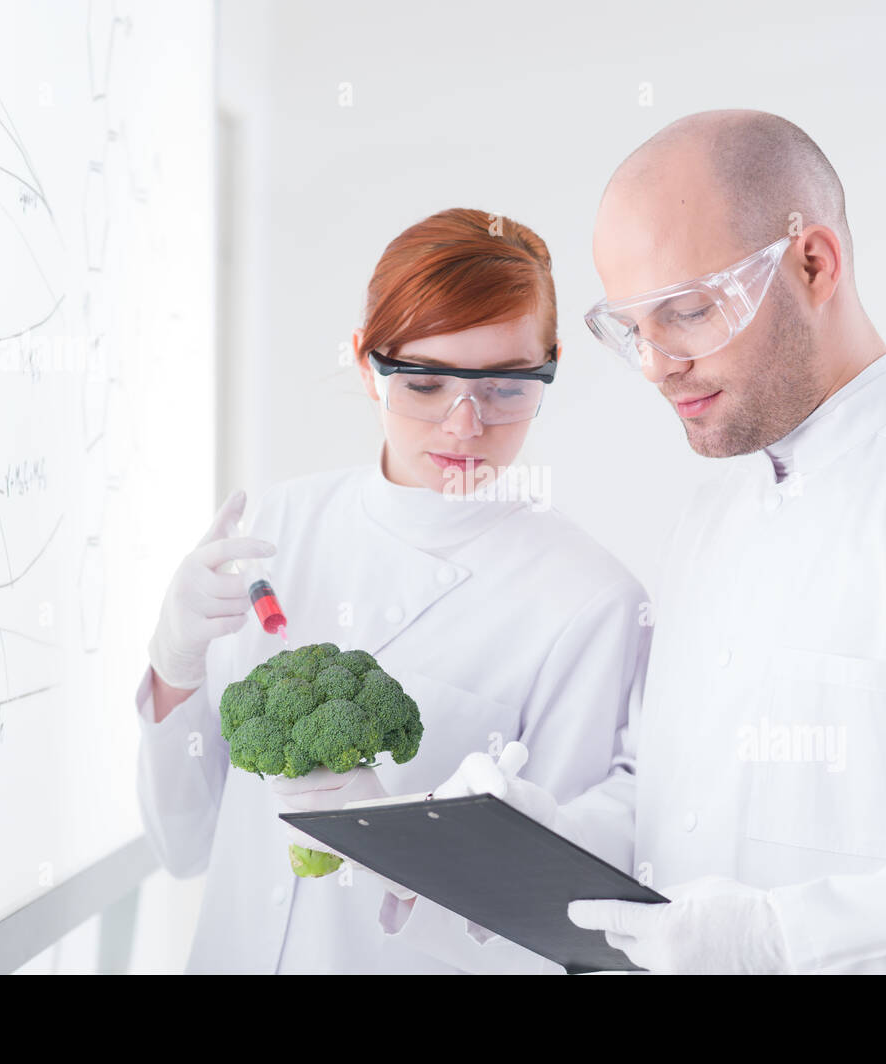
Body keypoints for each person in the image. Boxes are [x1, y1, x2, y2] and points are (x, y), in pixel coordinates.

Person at [425, 110, 886, 974]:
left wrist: (785, 940)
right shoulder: (713, 514)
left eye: (686, 312)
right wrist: (546, 841)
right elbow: (675, 810)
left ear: (814, 263)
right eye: (631, 330)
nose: (656, 365)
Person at [133, 207, 651, 974]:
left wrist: (401, 845)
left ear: (551, 365)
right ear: (363, 361)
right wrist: (173, 668)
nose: (465, 424)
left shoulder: (590, 600)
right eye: (426, 382)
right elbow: (181, 845)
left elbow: (551, 916)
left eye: (507, 388)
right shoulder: (274, 526)